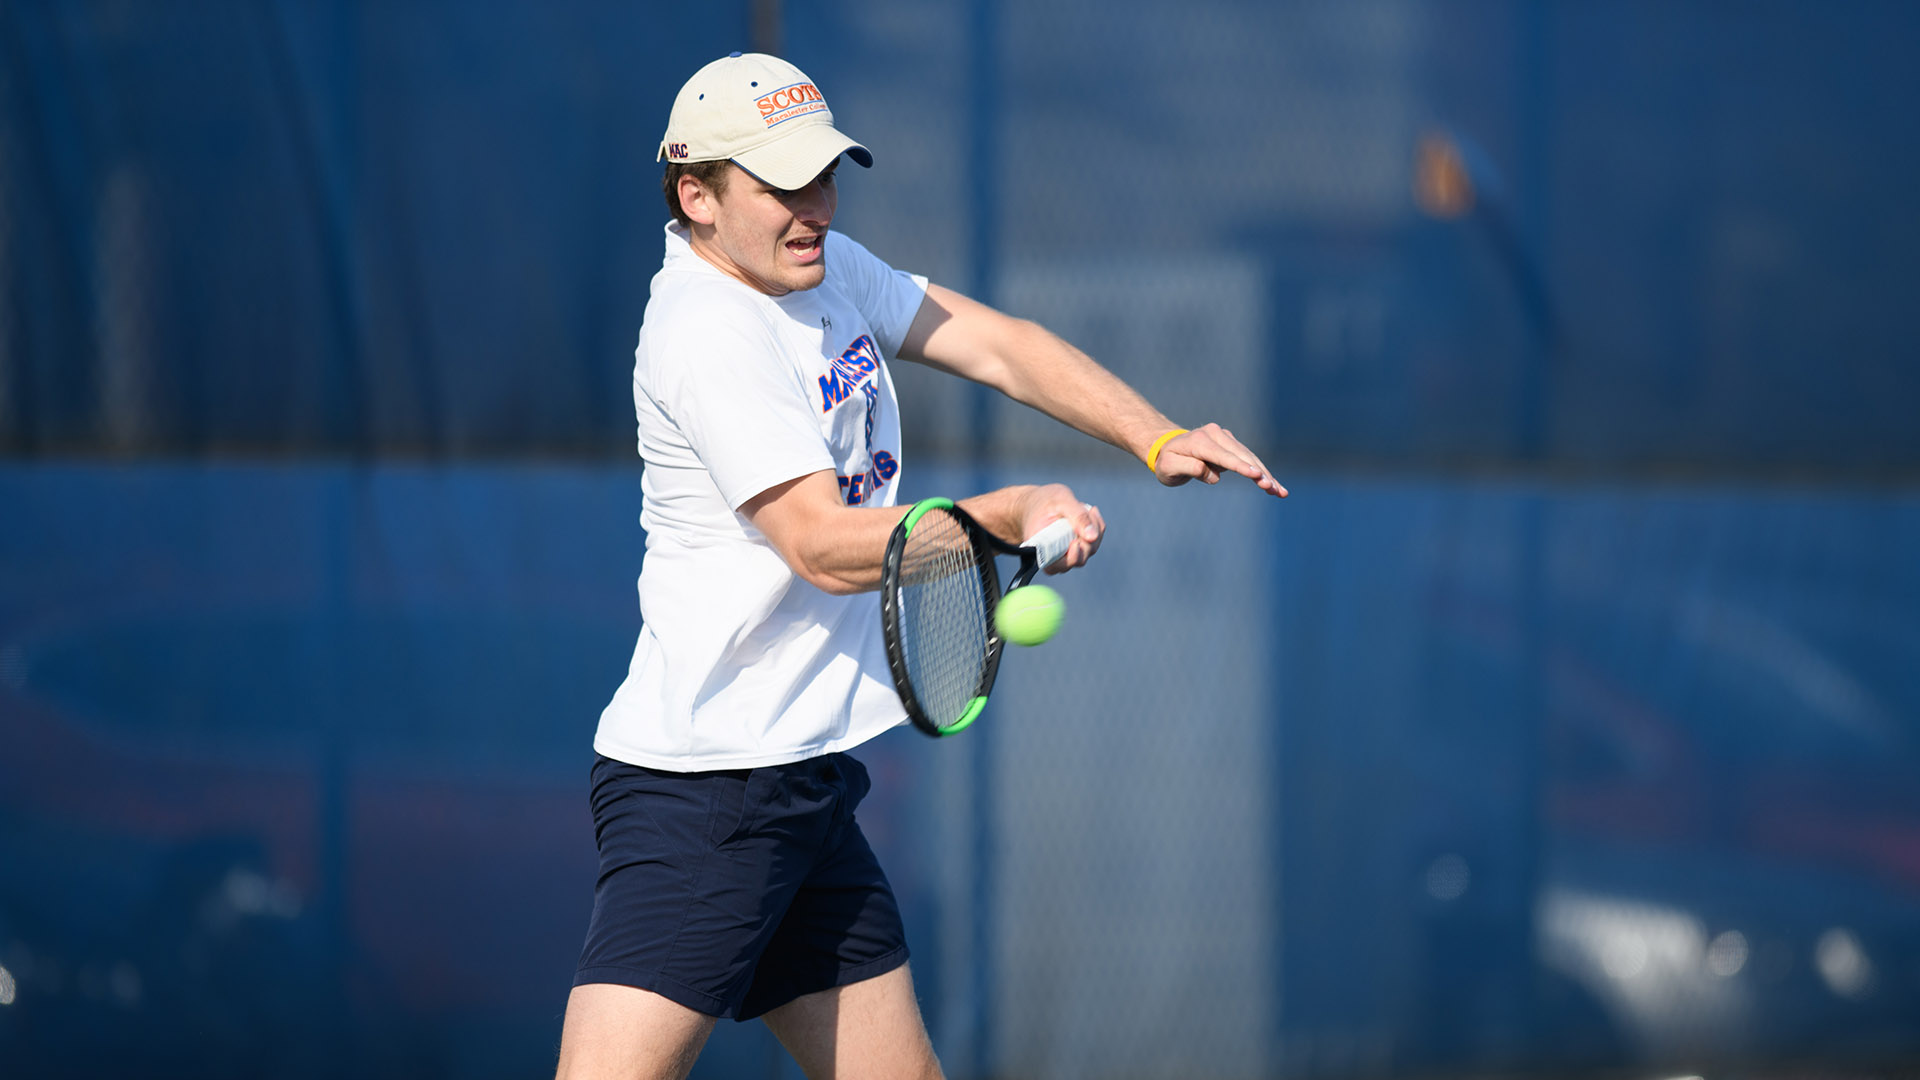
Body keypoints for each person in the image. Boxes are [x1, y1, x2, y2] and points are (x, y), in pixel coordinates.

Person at [555, 52, 1286, 1080]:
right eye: (781, 184)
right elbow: (817, 542)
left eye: (824, 174)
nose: (814, 205)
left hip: (801, 780)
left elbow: (1001, 346)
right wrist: (1002, 516)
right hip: (709, 795)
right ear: (698, 197)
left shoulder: (824, 267)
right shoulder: (707, 335)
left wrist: (1154, 437)